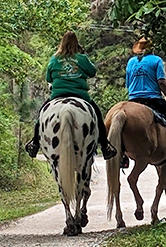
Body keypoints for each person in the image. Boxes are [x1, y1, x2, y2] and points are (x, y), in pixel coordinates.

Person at [25, 30, 117, 160]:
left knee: (41, 116)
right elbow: (92, 72)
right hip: (80, 95)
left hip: (58, 95)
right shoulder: (82, 58)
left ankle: (35, 143)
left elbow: (48, 77)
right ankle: (105, 145)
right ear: (76, 43)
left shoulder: (55, 58)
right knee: (96, 113)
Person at [125, 38, 166, 165]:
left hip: (133, 100)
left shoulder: (131, 62)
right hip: (152, 99)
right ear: (152, 49)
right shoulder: (156, 60)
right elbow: (161, 82)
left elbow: (128, 84)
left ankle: (122, 155)